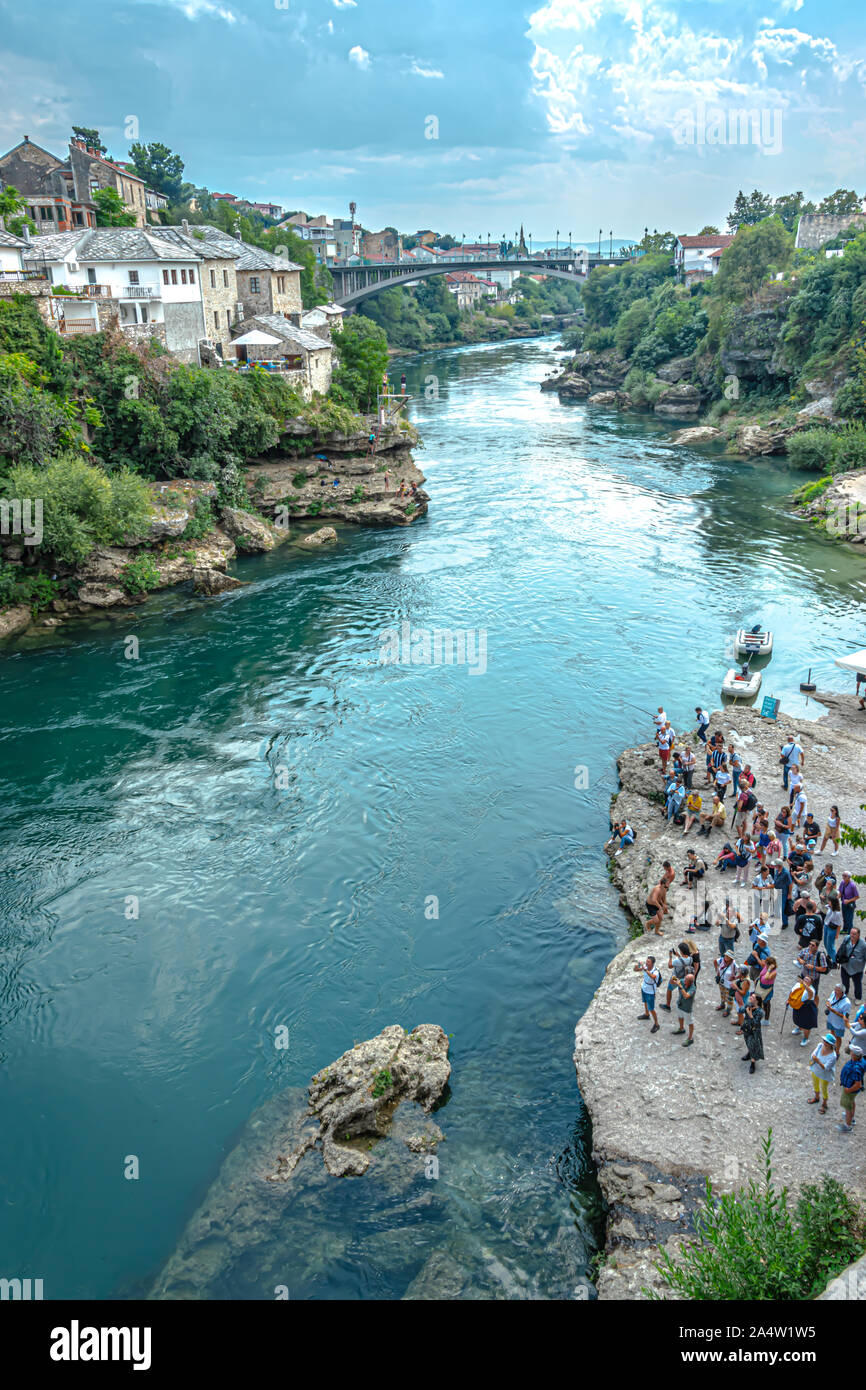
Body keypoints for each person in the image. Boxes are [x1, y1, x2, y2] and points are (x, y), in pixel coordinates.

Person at [838, 1044, 865, 1133]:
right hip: (851, 1089)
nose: (850, 1051)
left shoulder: (856, 1068)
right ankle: (851, 1118)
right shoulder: (862, 1061)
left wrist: (848, 1090)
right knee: (852, 1102)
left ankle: (848, 1125)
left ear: (854, 1055)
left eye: (852, 1051)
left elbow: (858, 1084)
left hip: (850, 1089)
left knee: (847, 1107)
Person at [809, 1033, 837, 1113]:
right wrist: (815, 1058)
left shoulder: (833, 1056)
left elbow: (826, 1068)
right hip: (815, 1070)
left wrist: (817, 1060)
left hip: (825, 1075)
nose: (825, 1043)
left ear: (831, 1044)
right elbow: (813, 1054)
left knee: (824, 1088)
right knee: (815, 1084)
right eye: (824, 1041)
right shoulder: (820, 1045)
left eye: (827, 1042)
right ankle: (817, 1097)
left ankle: (824, 1104)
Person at [838, 926, 866, 1003]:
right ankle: (845, 993)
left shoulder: (863, 945)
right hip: (845, 966)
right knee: (845, 982)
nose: (852, 935)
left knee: (857, 984)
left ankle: (858, 997)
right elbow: (842, 948)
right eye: (851, 933)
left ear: (858, 935)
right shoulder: (846, 939)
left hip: (857, 969)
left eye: (854, 934)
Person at [634, 956, 662, 1032]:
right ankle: (646, 1014)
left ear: (652, 963)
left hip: (650, 991)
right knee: (645, 1002)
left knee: (651, 1009)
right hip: (644, 988)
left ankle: (656, 1024)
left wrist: (645, 969)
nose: (646, 963)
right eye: (646, 961)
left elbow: (653, 976)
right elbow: (635, 969)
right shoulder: (645, 967)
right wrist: (638, 965)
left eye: (648, 962)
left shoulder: (655, 971)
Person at [661, 943, 689, 1012]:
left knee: (669, 989)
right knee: (681, 990)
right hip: (684, 977)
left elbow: (670, 966)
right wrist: (679, 956)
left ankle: (667, 1005)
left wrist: (670, 956)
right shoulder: (690, 958)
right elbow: (683, 961)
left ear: (682, 951)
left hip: (675, 978)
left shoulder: (677, 961)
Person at [741, 994, 765, 1074]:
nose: (750, 997)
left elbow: (756, 1024)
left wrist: (750, 1015)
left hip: (754, 1031)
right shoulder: (749, 1005)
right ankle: (749, 1053)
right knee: (748, 1043)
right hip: (746, 1028)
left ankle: (752, 1063)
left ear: (757, 1001)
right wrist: (745, 1006)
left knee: (753, 1045)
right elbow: (740, 1010)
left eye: (753, 997)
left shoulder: (760, 1012)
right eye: (751, 996)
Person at [791, 976, 818, 1045]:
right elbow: (793, 992)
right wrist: (789, 1000)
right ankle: (799, 1028)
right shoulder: (799, 985)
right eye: (805, 979)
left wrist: (804, 984)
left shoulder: (811, 989)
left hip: (807, 1007)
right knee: (798, 1019)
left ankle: (806, 1038)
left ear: (811, 983)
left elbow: (810, 993)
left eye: (807, 980)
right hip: (798, 1005)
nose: (805, 980)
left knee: (806, 1025)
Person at [825, 982, 851, 1055]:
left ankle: (837, 1051)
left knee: (838, 1037)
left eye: (838, 990)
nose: (835, 992)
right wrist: (827, 1003)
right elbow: (828, 1000)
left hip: (839, 1023)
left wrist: (833, 1011)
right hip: (831, 1019)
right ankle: (832, 1045)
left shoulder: (847, 1003)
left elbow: (845, 1017)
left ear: (842, 992)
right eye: (835, 989)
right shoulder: (833, 993)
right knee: (832, 1032)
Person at [673, 972, 696, 1046]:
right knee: (680, 1017)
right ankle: (681, 1028)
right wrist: (673, 978)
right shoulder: (683, 981)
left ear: (690, 982)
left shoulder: (693, 988)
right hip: (680, 1004)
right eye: (685, 979)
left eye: (686, 980)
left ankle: (690, 1038)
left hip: (686, 1008)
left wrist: (680, 986)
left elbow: (686, 995)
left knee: (690, 1022)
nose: (684, 981)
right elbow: (675, 979)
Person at [823, 893, 844, 967]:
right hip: (826, 926)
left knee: (830, 946)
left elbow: (839, 924)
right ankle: (830, 954)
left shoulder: (837, 913)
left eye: (829, 901)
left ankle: (835, 961)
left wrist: (837, 934)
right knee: (825, 943)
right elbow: (824, 907)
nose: (828, 902)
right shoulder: (829, 907)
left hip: (832, 929)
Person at [754, 956, 777, 1023]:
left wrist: (769, 969)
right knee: (758, 1001)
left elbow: (766, 977)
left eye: (767, 964)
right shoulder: (765, 966)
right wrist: (757, 979)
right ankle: (759, 1014)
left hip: (767, 989)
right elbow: (761, 974)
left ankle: (766, 1020)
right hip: (760, 986)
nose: (765, 964)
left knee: (766, 1004)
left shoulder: (774, 972)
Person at [715, 950, 738, 1017]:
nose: (726, 957)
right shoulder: (721, 960)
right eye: (726, 955)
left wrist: (735, 978)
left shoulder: (734, 965)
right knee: (722, 994)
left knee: (729, 998)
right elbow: (715, 961)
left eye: (728, 956)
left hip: (729, 984)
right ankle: (722, 1005)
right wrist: (717, 972)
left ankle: (728, 1009)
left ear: (731, 958)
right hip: (721, 982)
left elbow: (740, 973)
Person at [773, 858, 792, 931]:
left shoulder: (786, 873)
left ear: (779, 865)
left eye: (775, 865)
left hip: (783, 893)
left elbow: (790, 884)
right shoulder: (777, 871)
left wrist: (789, 894)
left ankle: (785, 922)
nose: (774, 866)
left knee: (783, 909)